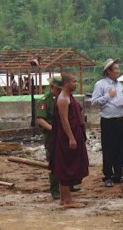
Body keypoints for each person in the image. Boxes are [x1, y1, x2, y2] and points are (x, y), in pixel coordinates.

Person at [49, 72, 88, 208]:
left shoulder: (69, 97)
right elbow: (64, 120)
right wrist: (71, 138)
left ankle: (63, 198)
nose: (76, 84)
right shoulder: (63, 99)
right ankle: (67, 200)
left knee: (65, 165)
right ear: (66, 84)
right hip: (66, 137)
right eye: (73, 82)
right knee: (65, 166)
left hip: (73, 134)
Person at [91, 58, 123, 187]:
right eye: (116, 69)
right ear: (108, 71)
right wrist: (108, 96)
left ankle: (118, 174)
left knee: (120, 148)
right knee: (108, 148)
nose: (118, 71)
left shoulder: (120, 84)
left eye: (118, 68)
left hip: (119, 119)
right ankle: (107, 176)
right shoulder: (100, 84)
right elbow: (94, 102)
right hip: (108, 121)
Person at [36, 75, 63, 199]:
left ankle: (68, 185)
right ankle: (55, 189)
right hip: (51, 135)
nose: (59, 91)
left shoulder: (63, 98)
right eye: (57, 89)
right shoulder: (45, 100)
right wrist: (52, 129)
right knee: (54, 161)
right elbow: (40, 119)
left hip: (63, 133)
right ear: (52, 87)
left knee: (66, 159)